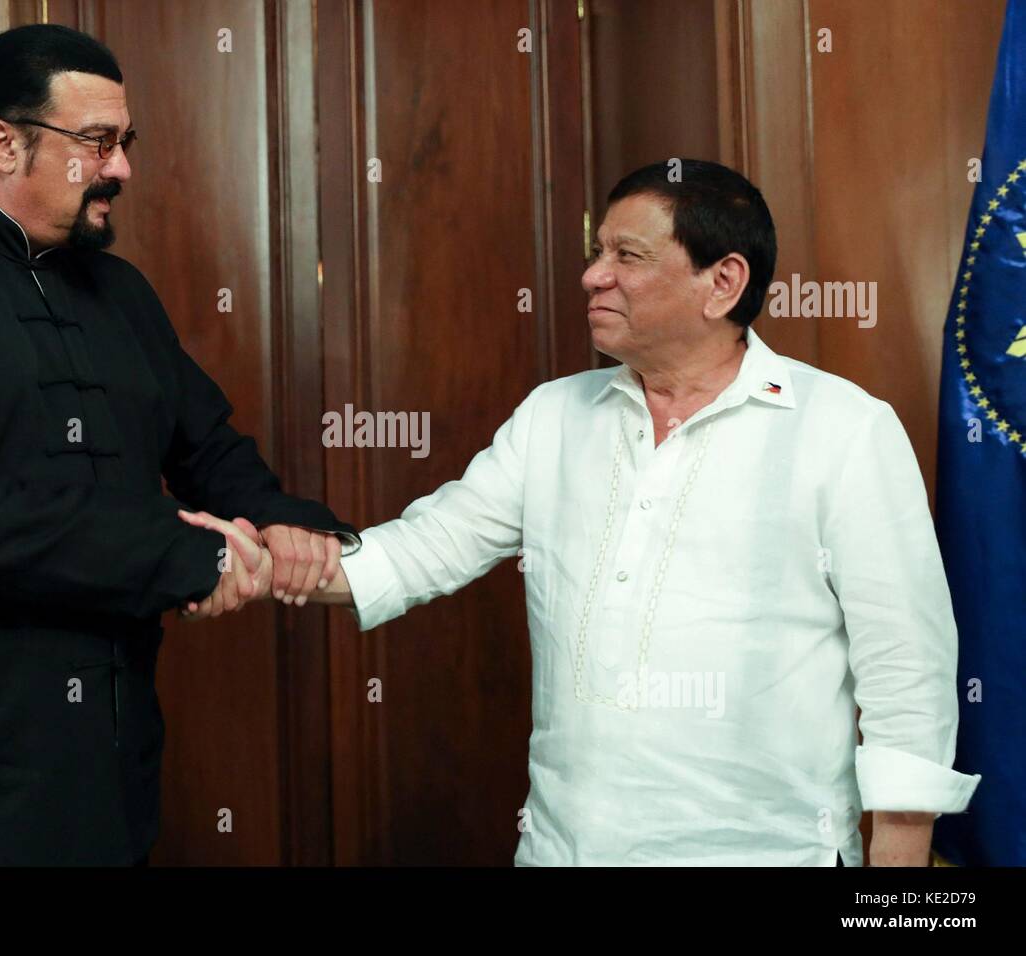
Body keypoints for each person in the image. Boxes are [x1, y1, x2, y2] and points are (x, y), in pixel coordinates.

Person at [182, 159, 982, 866]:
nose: (593, 276)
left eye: (626, 257)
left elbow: (905, 666)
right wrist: (248, 564)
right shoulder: (553, 417)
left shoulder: (842, 428)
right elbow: (424, 551)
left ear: (724, 282)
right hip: (567, 847)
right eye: (597, 253)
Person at [0, 24, 356, 866]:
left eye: (124, 142)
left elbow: (206, 444)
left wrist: (284, 521)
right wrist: (172, 552)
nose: (122, 168)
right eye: (96, 142)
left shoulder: (120, 292)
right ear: (2, 142)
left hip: (105, 772)